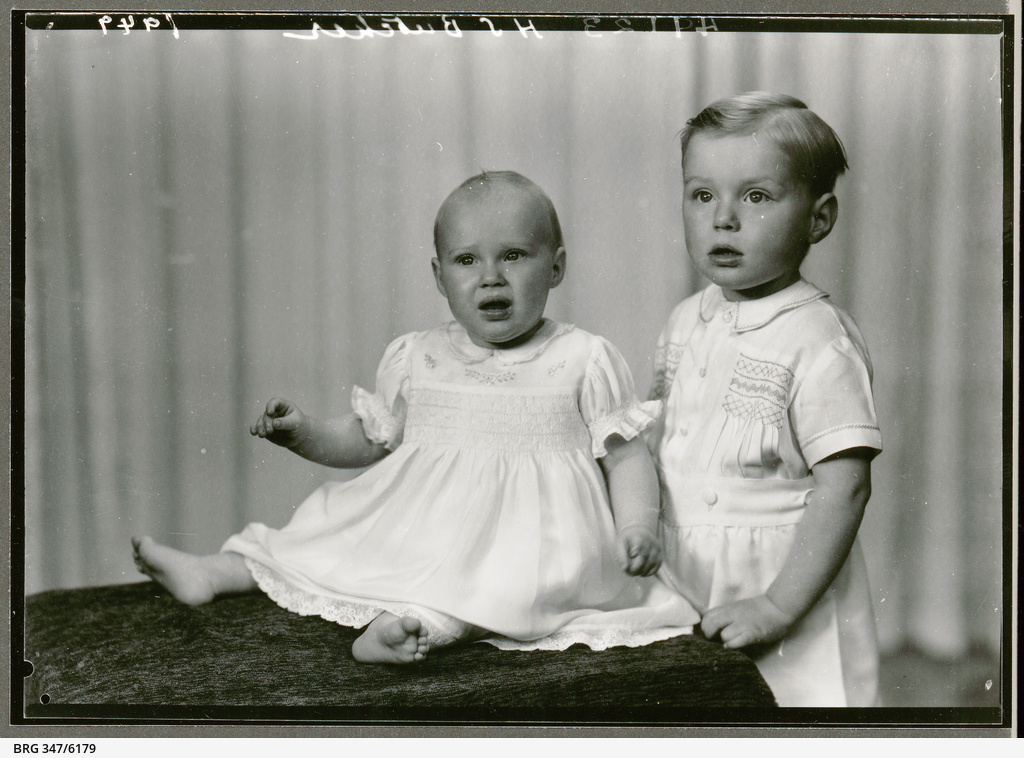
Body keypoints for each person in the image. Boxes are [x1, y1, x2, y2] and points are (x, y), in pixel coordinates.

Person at [134, 170, 698, 664]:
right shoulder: (417, 356)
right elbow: (371, 440)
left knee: (503, 590)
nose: (491, 276)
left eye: (514, 255)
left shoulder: (584, 358)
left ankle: (413, 630)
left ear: (556, 267)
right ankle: (212, 572)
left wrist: (636, 526)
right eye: (467, 259)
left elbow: (624, 454)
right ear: (438, 276)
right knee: (319, 541)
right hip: (428, 526)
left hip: (538, 542)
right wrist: (304, 434)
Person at [647, 92, 883, 706]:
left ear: (818, 219)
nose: (723, 218)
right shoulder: (683, 320)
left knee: (797, 715)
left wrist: (777, 605)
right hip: (685, 575)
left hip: (783, 584)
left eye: (756, 196)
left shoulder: (818, 339)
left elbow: (846, 486)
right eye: (702, 195)